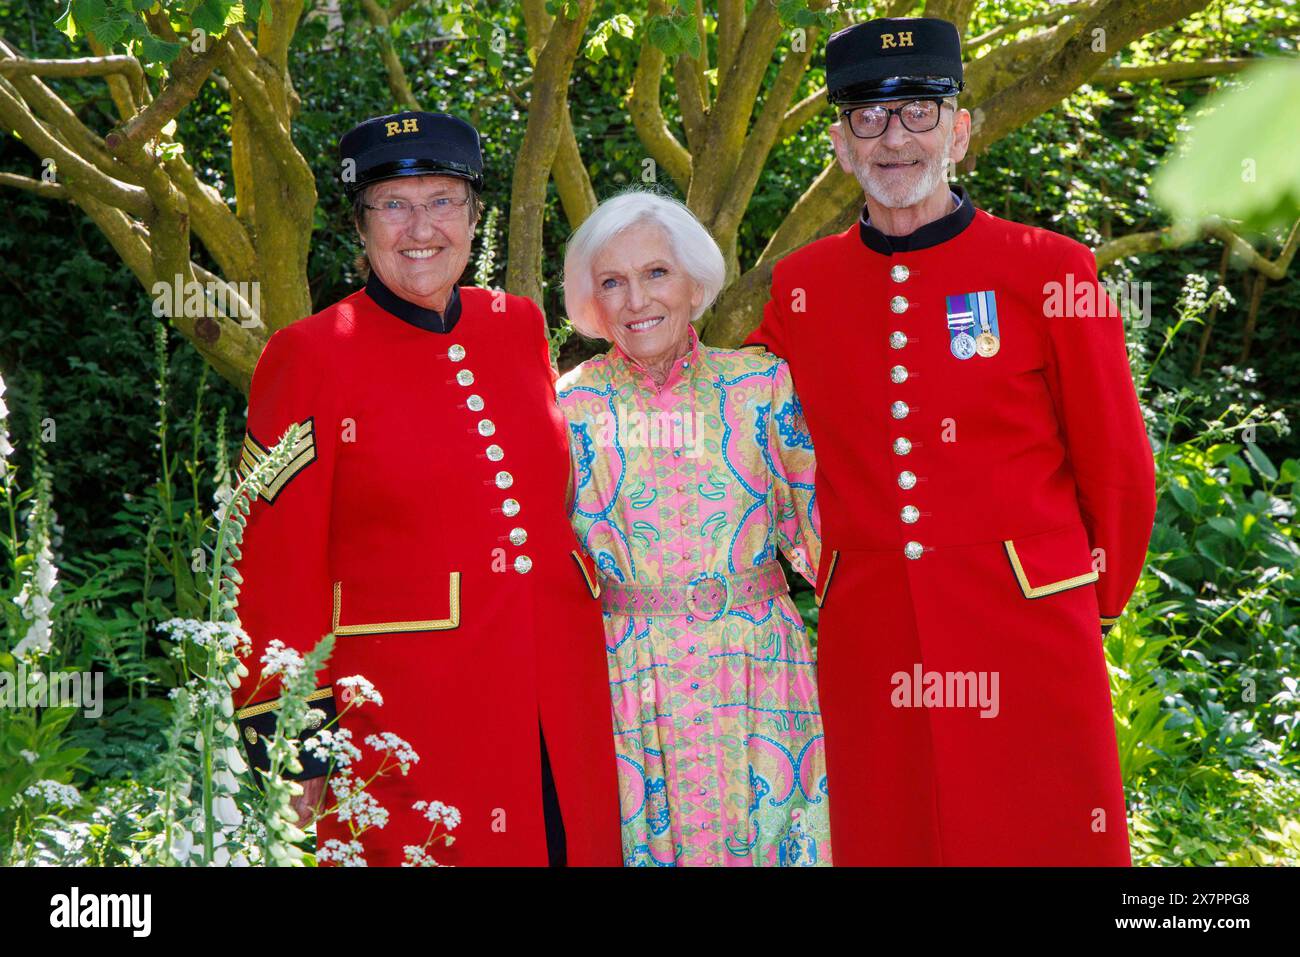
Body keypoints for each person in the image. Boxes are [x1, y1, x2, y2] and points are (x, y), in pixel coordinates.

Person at [744, 17, 1156, 865]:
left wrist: (1091, 598)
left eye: (921, 112)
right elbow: (745, 428)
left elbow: (1115, 459)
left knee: (1042, 832)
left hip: (1029, 624)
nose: (895, 138)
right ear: (840, 143)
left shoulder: (1050, 269)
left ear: (960, 131)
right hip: (874, 629)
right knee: (890, 831)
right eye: (868, 117)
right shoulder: (803, 286)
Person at [232, 110, 621, 866]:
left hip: (560, 689)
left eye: (443, 200)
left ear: (475, 216)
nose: (421, 227)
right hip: (409, 714)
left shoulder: (515, 325)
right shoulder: (306, 355)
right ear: (361, 223)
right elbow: (273, 558)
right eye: (394, 204)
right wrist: (295, 735)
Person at [557, 190, 833, 866]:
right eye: (612, 282)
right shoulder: (564, 406)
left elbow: (827, 534)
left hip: (761, 676)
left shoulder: (762, 385)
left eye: (656, 273)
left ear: (692, 281)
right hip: (631, 682)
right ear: (592, 300)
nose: (636, 300)